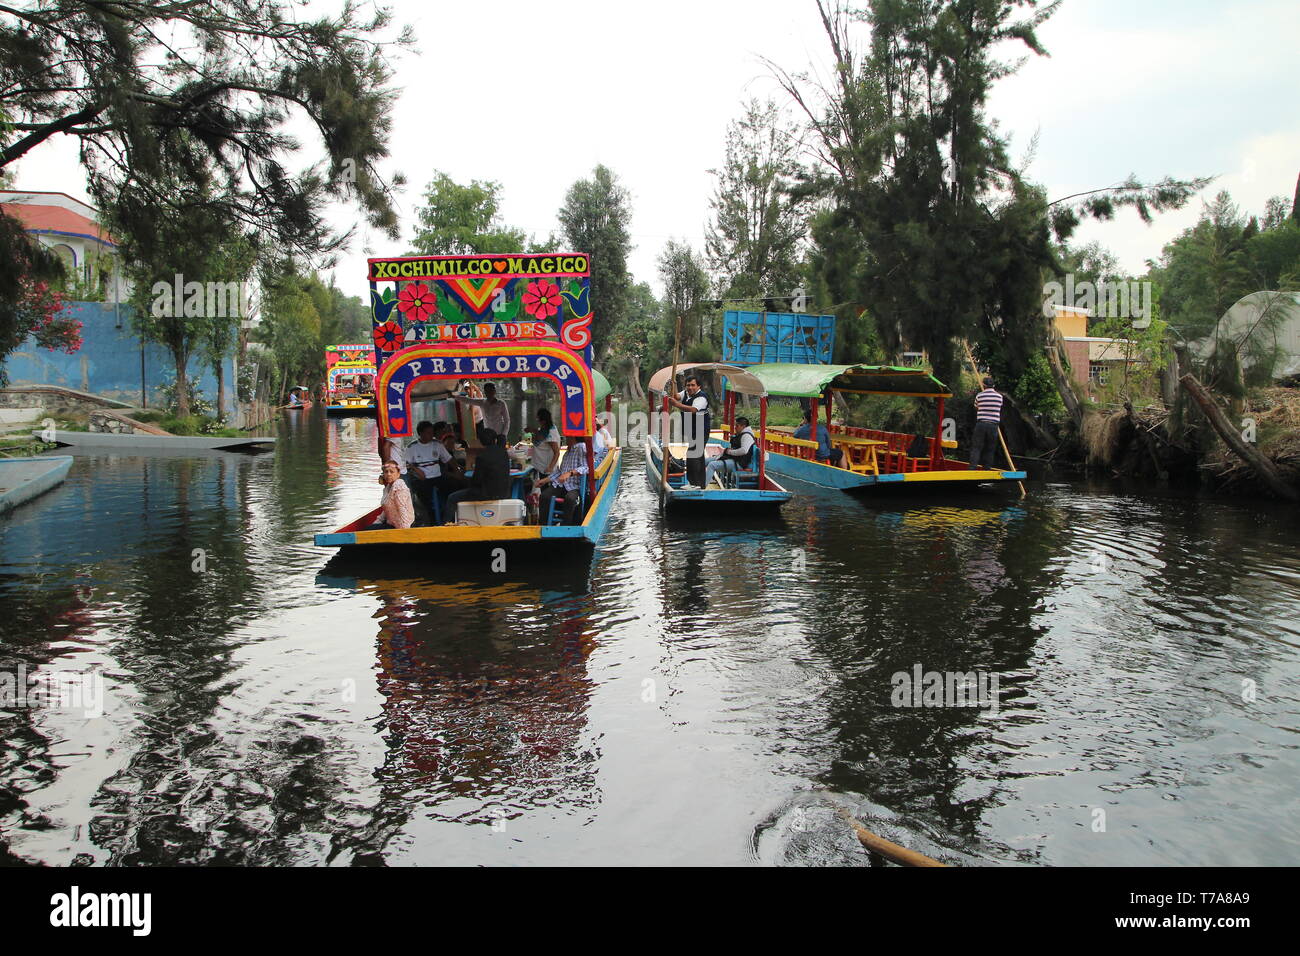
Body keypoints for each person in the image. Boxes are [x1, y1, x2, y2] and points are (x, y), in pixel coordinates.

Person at [444, 428, 512, 523]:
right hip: (504, 492)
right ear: (494, 440)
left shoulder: (482, 457)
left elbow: (476, 480)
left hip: (487, 495)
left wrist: (467, 481)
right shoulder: (503, 452)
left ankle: (447, 524)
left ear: (481, 441)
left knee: (452, 498)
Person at [665, 375, 710, 489]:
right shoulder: (686, 393)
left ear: (698, 386)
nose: (690, 387)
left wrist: (676, 404)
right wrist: (674, 385)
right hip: (691, 430)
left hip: (700, 430)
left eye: (693, 385)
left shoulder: (701, 397)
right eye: (688, 385)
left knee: (693, 456)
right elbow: (676, 396)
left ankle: (695, 484)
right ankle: (700, 484)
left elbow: (693, 410)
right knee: (698, 457)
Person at [535, 435, 589, 525]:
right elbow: (560, 472)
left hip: (574, 486)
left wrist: (570, 473)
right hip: (561, 484)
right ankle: (544, 525)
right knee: (544, 496)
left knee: (570, 499)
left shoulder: (581, 447)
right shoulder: (567, 452)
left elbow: (586, 467)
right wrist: (544, 480)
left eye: (567, 437)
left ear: (572, 437)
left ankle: (566, 526)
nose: (565, 439)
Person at [405, 420, 454, 519]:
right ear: (421, 433)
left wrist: (457, 471)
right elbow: (407, 464)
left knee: (452, 489)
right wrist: (417, 470)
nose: (431, 435)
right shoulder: (412, 447)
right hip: (422, 479)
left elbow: (449, 459)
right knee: (425, 498)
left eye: (432, 432)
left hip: (438, 476)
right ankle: (431, 518)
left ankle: (449, 516)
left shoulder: (437, 444)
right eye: (428, 433)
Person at [705, 416, 757, 487]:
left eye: (737, 426)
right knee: (706, 461)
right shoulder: (742, 434)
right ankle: (696, 481)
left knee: (712, 465)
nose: (735, 427)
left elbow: (744, 451)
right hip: (734, 459)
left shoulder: (746, 436)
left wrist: (729, 452)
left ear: (743, 426)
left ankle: (702, 487)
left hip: (739, 464)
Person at [969, 377, 1004, 470]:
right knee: (990, 448)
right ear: (993, 385)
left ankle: (972, 468)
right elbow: (999, 407)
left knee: (976, 447)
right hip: (993, 425)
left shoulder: (979, 396)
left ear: (984, 385)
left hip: (981, 424)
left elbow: (976, 407)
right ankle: (987, 468)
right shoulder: (999, 397)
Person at [521, 408, 562, 479]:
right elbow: (541, 433)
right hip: (539, 466)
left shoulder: (551, 433)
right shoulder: (546, 428)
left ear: (544, 421)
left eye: (538, 419)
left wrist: (550, 467)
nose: (538, 421)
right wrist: (532, 430)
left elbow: (557, 453)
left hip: (546, 469)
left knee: (543, 485)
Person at [371, 461, 414, 529]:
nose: (388, 474)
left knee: (369, 529)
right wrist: (376, 523)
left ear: (398, 474)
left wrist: (404, 531)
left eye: (392, 472)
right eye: (386, 472)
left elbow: (402, 510)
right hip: (391, 524)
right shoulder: (388, 487)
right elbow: (387, 509)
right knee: (369, 528)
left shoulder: (399, 486)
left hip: (401, 527)